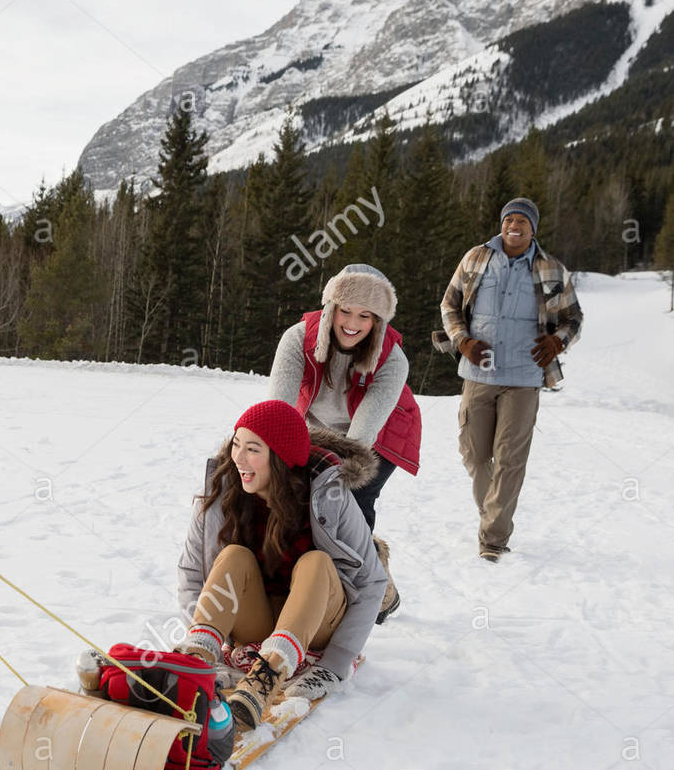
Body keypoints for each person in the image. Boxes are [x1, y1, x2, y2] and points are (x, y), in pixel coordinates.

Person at [175, 400, 388, 730]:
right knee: (233, 556)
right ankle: (195, 664)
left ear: (281, 457)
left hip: (316, 624)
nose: (239, 459)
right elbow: (191, 572)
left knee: (316, 562)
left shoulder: (329, 494)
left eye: (253, 449)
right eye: (236, 445)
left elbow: (372, 581)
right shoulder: (222, 491)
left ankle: (266, 676)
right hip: (257, 621)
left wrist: (336, 662)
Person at [432, 198, 583, 561]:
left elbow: (573, 318)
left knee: (510, 458)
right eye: (509, 220)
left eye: (522, 222)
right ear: (502, 224)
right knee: (474, 453)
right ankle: (492, 513)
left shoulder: (551, 268)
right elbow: (449, 304)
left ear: (533, 229)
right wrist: (462, 341)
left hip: (524, 377)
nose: (514, 226)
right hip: (477, 374)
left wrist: (556, 341)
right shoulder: (475, 258)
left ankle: (493, 537)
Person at [268, 263, 420, 622]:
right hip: (316, 428)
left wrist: (333, 477)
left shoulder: (392, 359)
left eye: (365, 315)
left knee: (349, 502)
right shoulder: (297, 339)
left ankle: (368, 592)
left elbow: (361, 440)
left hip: (380, 435)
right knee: (296, 493)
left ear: (377, 320)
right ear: (331, 307)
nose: (352, 322)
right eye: (345, 310)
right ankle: (302, 585)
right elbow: (279, 409)